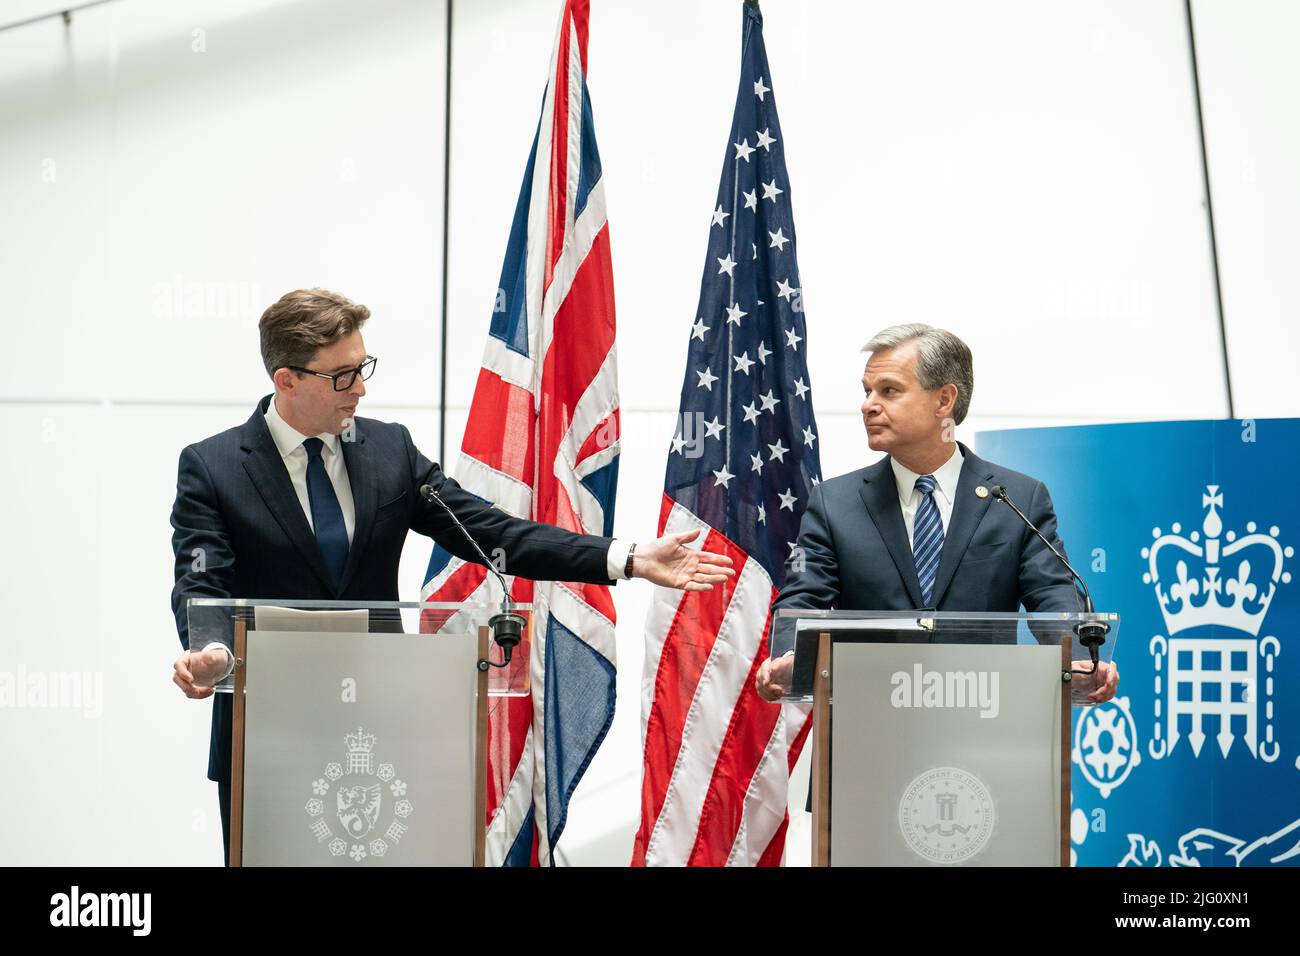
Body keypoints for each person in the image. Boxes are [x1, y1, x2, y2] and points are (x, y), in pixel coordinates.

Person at [170, 288, 734, 860]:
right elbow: (200, 581)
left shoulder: (389, 451)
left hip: (379, 732)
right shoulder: (214, 468)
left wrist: (628, 558)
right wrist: (210, 651)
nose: (361, 389)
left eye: (363, 368)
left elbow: (493, 533)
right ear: (286, 380)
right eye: (342, 376)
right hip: (268, 737)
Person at [755, 322, 1118, 703]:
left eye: (889, 390)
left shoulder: (1018, 499)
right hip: (868, 717)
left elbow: (1052, 593)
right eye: (867, 392)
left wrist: (1079, 660)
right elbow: (803, 596)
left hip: (985, 715)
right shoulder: (834, 502)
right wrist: (789, 658)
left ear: (944, 401)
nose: (868, 405)